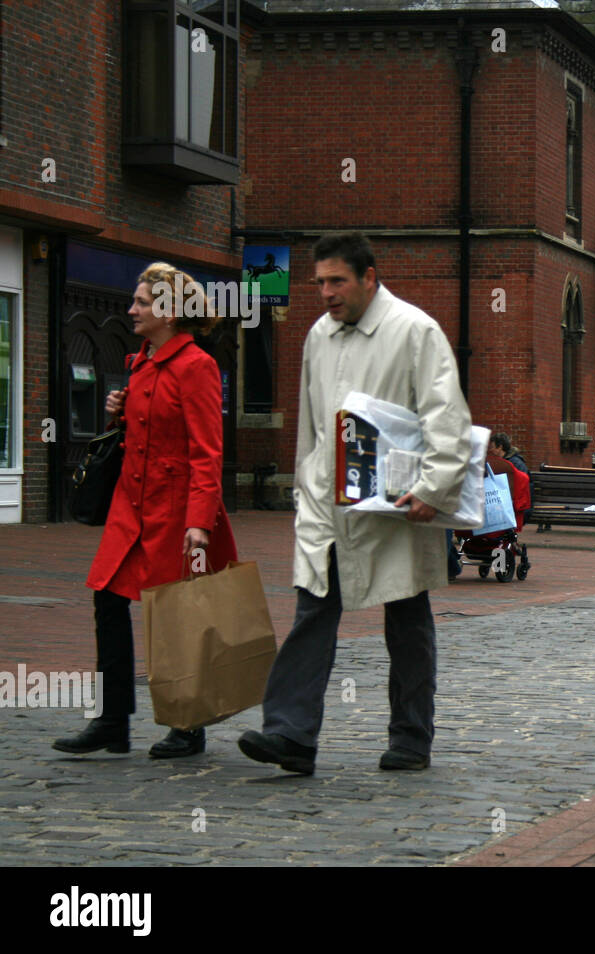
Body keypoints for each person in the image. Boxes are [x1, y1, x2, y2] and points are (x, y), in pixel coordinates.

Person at [238, 232, 471, 774]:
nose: (325, 293)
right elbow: (313, 425)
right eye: (319, 281)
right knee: (312, 612)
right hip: (327, 505)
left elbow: (447, 418)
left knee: (407, 617)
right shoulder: (318, 336)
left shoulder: (415, 331)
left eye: (336, 280)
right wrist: (305, 488)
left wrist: (433, 489)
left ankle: (411, 736)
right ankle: (290, 734)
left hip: (397, 505)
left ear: (369, 277)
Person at [54, 263, 237, 759]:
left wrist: (200, 522)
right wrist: (120, 410)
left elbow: (207, 451)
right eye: (134, 301)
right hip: (130, 508)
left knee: (173, 615)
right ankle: (113, 722)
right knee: (108, 600)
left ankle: (188, 724)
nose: (131, 309)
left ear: (171, 311)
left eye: (141, 302)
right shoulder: (141, 363)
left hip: (175, 511)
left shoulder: (195, 365)